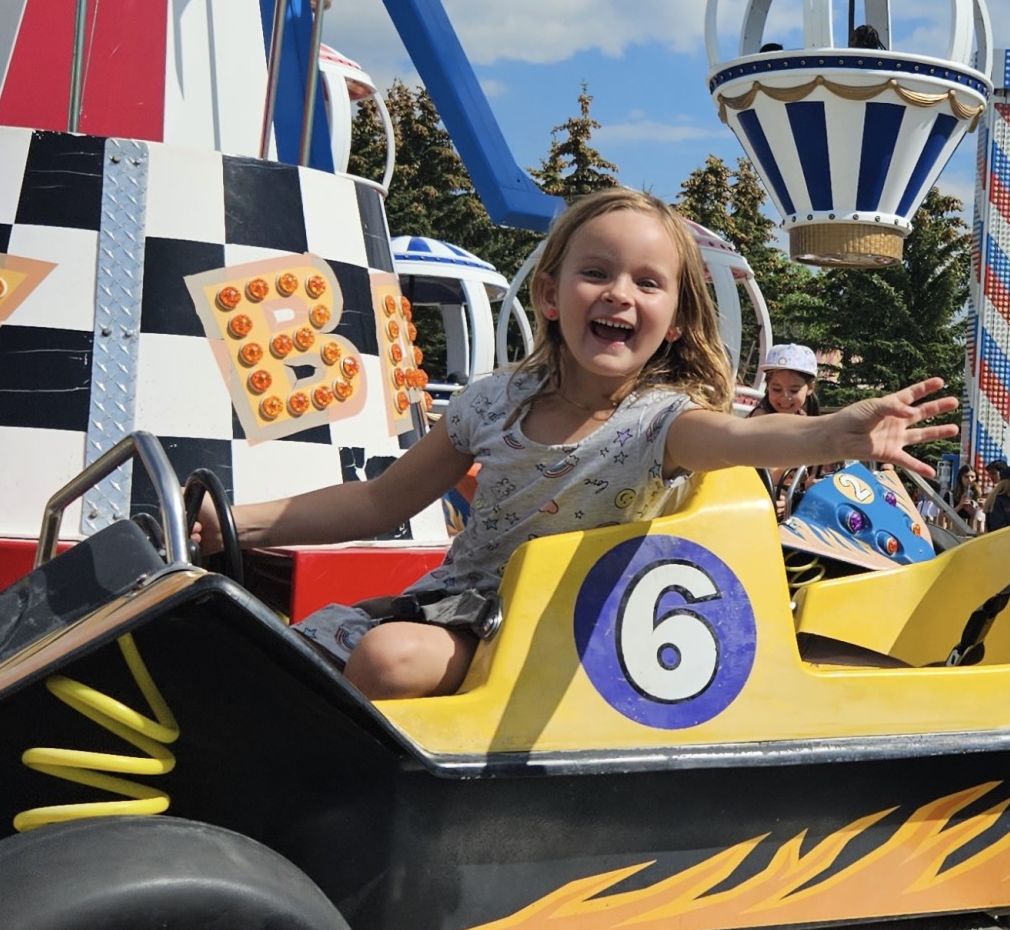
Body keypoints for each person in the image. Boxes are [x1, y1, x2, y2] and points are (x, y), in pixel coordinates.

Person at [208, 189, 958, 701]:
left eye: (647, 282)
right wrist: (232, 524)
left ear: (673, 317)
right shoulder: (493, 402)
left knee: (388, 658)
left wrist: (835, 431)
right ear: (549, 295)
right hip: (459, 610)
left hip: (577, 631)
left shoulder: (661, 423)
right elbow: (379, 501)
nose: (619, 294)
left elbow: (742, 438)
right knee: (275, 653)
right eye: (595, 273)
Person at [754, 342, 828, 518]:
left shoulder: (805, 419)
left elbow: (812, 472)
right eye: (776, 389)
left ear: (810, 388)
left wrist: (805, 491)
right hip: (759, 501)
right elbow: (762, 474)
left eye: (794, 390)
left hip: (788, 502)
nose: (785, 397)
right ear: (767, 386)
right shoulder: (761, 420)